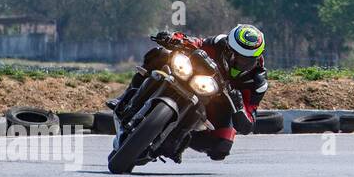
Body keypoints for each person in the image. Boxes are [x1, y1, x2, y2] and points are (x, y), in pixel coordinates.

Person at [113, 24, 268, 161]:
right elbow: (196, 42)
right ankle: (125, 99)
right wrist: (174, 38)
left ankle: (179, 141)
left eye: (247, 60)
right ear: (228, 48)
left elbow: (249, 123)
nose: (241, 63)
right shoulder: (219, 42)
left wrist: (239, 107)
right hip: (196, 77)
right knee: (161, 53)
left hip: (219, 104)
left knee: (221, 147)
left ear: (257, 57)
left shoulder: (257, 82)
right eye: (237, 57)